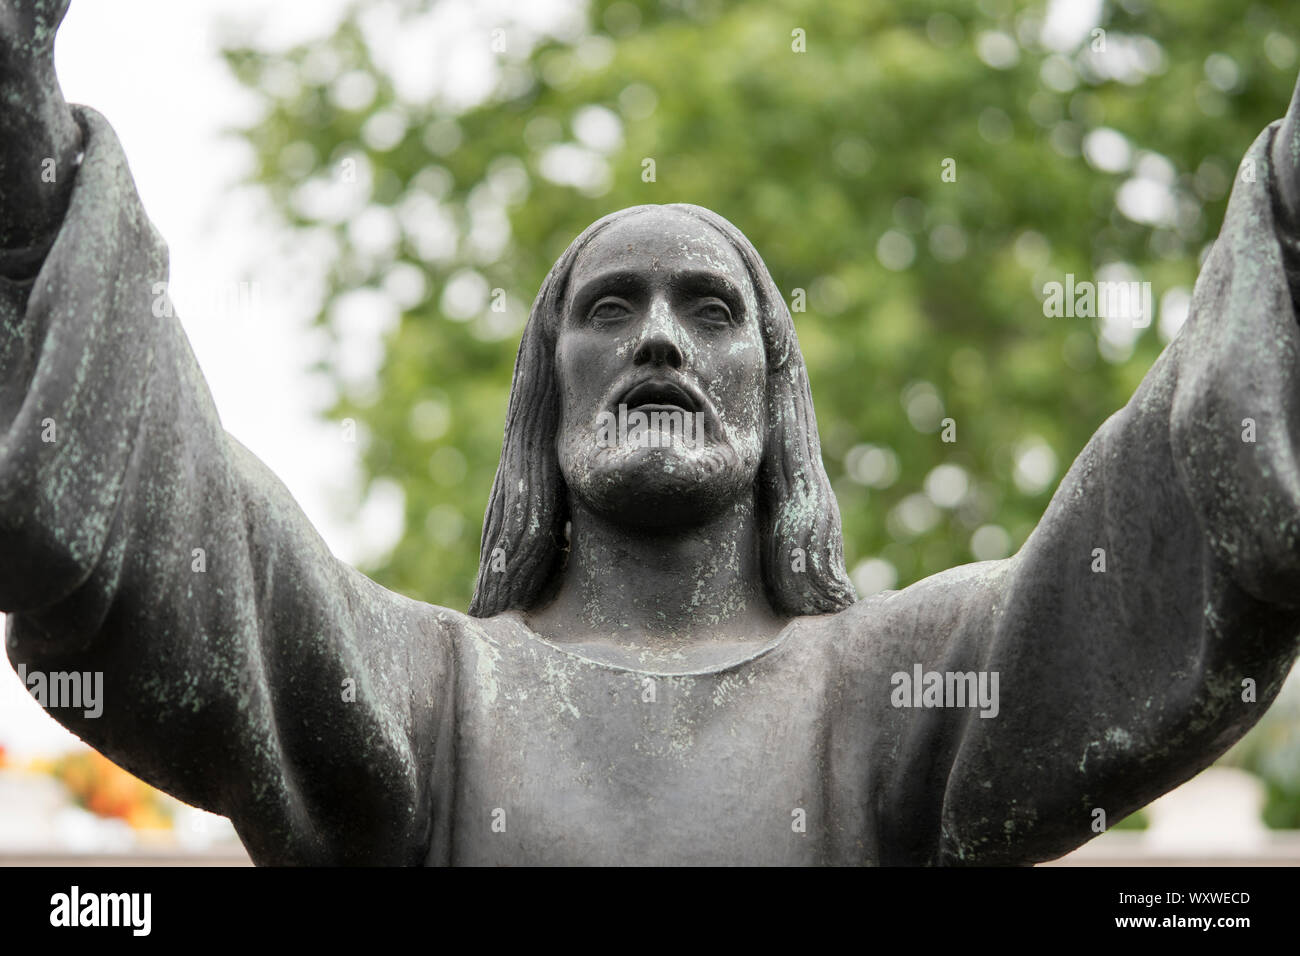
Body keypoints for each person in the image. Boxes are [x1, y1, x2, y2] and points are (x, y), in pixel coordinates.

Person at [3, 1, 1300, 865]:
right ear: (545, 394)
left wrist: (1289, 227)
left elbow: (1146, 564)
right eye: (610, 308)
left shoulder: (893, 692)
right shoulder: (426, 694)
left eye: (711, 311)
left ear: (774, 395)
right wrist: (26, 187)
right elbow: (184, 540)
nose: (660, 341)